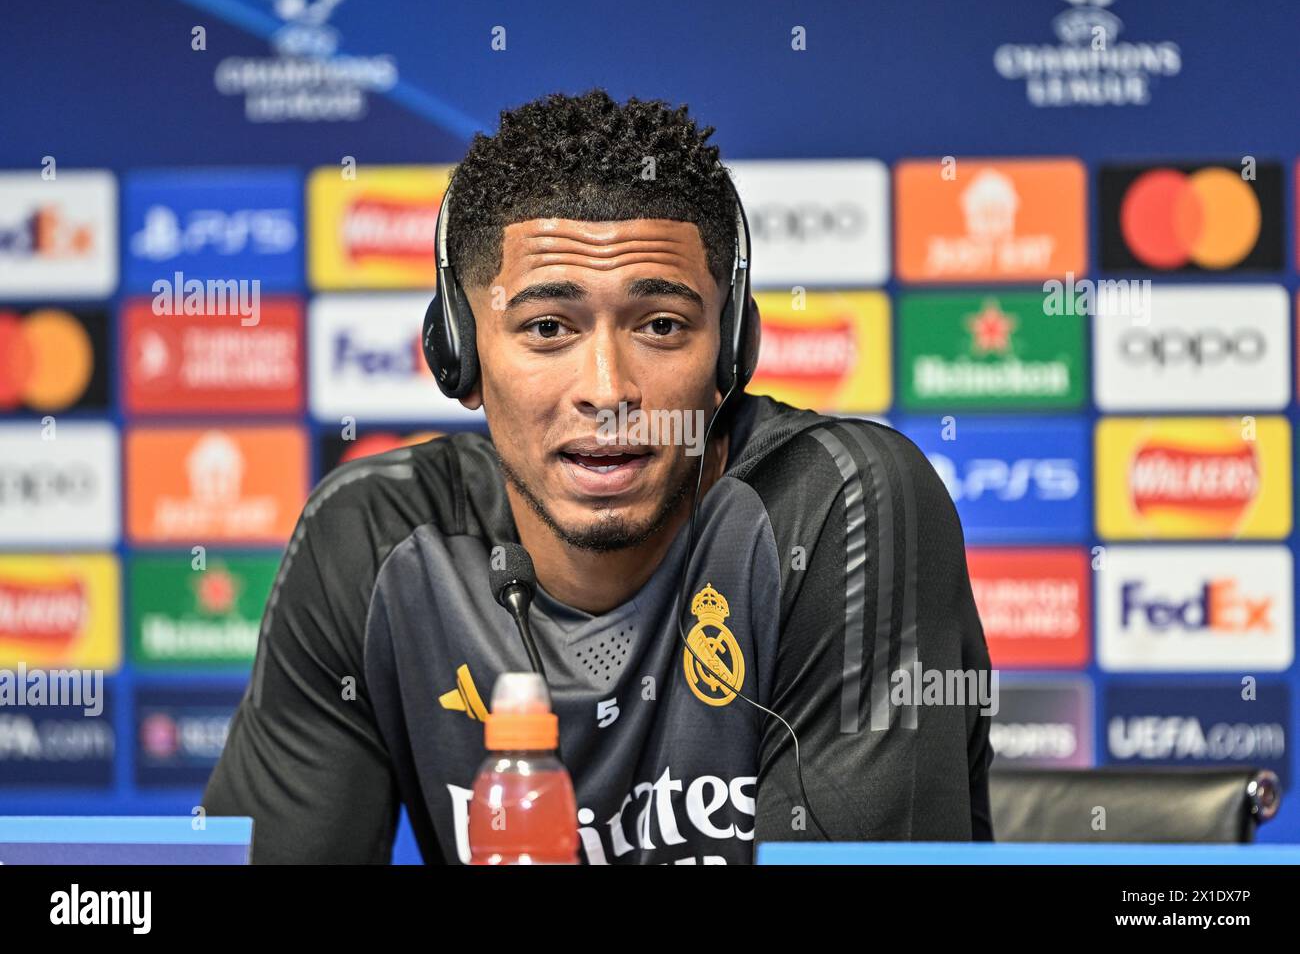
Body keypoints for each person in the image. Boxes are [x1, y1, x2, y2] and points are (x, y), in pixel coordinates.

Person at [203, 89, 995, 864]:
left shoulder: (834, 506)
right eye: (548, 327)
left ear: (731, 356)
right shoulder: (375, 542)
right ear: (459, 353)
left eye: (661, 326)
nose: (608, 389)